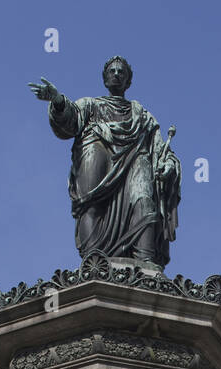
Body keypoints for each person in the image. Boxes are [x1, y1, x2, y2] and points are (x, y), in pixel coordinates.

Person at [29, 56, 181, 267]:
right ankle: (93, 261)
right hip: (96, 160)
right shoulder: (90, 105)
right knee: (91, 205)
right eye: (112, 71)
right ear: (105, 78)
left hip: (136, 162)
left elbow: (161, 150)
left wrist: (168, 165)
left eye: (121, 72)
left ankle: (145, 262)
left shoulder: (142, 115)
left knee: (144, 200)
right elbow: (70, 122)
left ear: (128, 81)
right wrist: (58, 101)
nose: (117, 74)